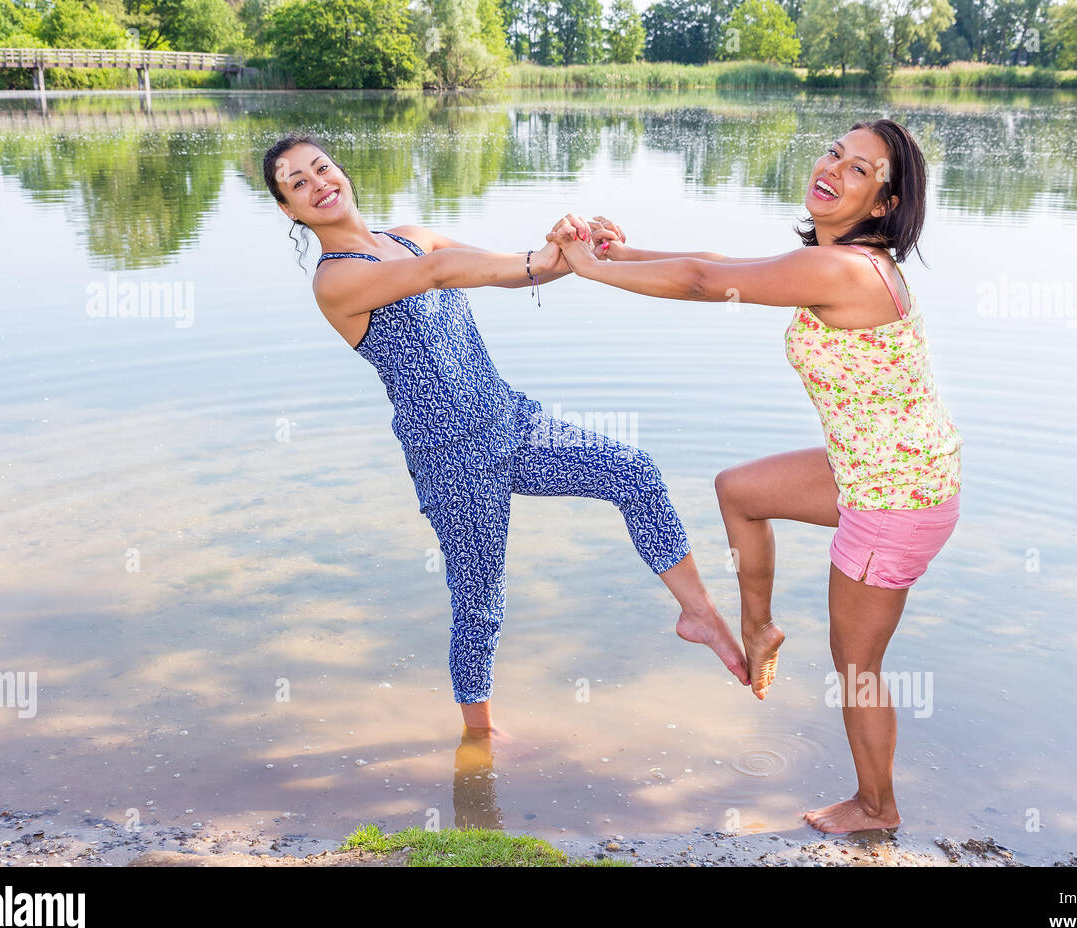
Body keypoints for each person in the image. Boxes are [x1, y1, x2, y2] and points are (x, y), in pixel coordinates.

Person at [545, 119, 963, 834]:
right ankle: (759, 628)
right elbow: (717, 262)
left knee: (855, 662)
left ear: (885, 205)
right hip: (876, 468)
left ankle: (876, 808)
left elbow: (709, 282)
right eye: (836, 151)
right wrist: (622, 250)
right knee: (739, 490)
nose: (834, 168)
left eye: (861, 170)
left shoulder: (843, 271)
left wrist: (593, 270)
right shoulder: (835, 258)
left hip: (894, 497)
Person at [261, 134, 750, 733]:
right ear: (289, 210)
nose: (319, 184)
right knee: (481, 605)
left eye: (322, 168)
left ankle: (698, 614)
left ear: (340, 168)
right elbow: (439, 274)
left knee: (635, 473)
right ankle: (479, 740)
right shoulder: (334, 281)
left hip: (512, 422)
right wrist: (536, 261)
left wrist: (569, 249)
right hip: (452, 458)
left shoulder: (411, 235)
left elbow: (509, 274)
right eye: (299, 184)